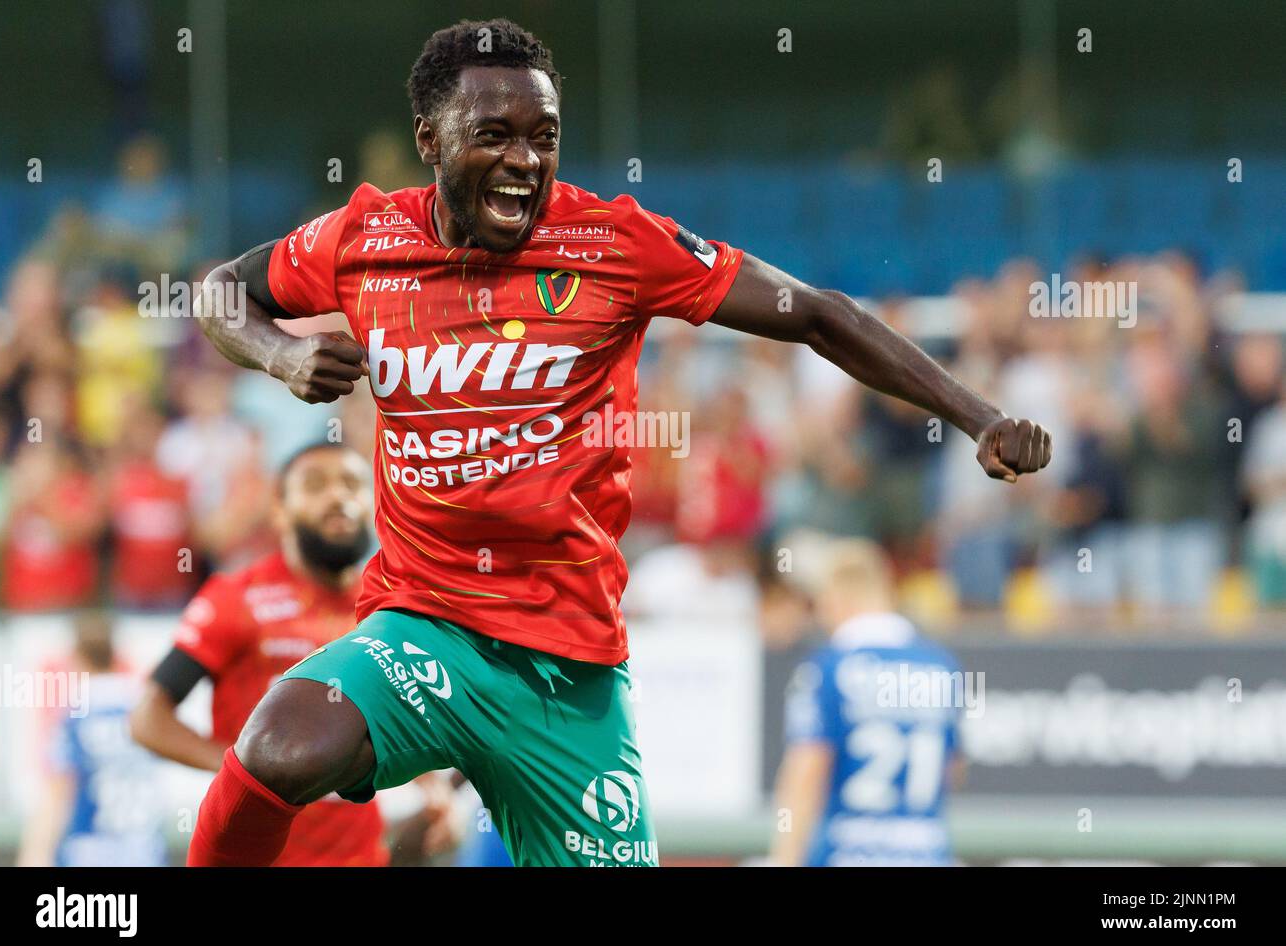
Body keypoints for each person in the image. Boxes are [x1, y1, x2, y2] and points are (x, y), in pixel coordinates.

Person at [186, 18, 1050, 868]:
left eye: (545, 137)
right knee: (281, 743)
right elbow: (221, 290)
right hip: (426, 627)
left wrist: (978, 415)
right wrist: (283, 351)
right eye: (494, 135)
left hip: (568, 662)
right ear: (430, 139)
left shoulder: (617, 243)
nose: (525, 161)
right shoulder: (363, 239)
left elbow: (819, 314)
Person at [131, 443, 395, 865]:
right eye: (315, 485)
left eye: (353, 484)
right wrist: (250, 772)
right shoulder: (237, 597)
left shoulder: (388, 607)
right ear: (279, 509)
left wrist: (432, 789)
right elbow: (148, 718)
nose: (337, 497)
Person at [771, 539, 966, 866]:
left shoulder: (829, 668)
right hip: (924, 855)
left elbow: (806, 772)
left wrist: (785, 859)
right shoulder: (941, 666)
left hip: (846, 854)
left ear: (836, 598)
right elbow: (953, 767)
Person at [17, 612, 167, 867]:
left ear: (76, 656)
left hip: (88, 851)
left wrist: (35, 854)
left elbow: (59, 790)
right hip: (144, 850)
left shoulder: (76, 713)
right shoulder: (142, 707)